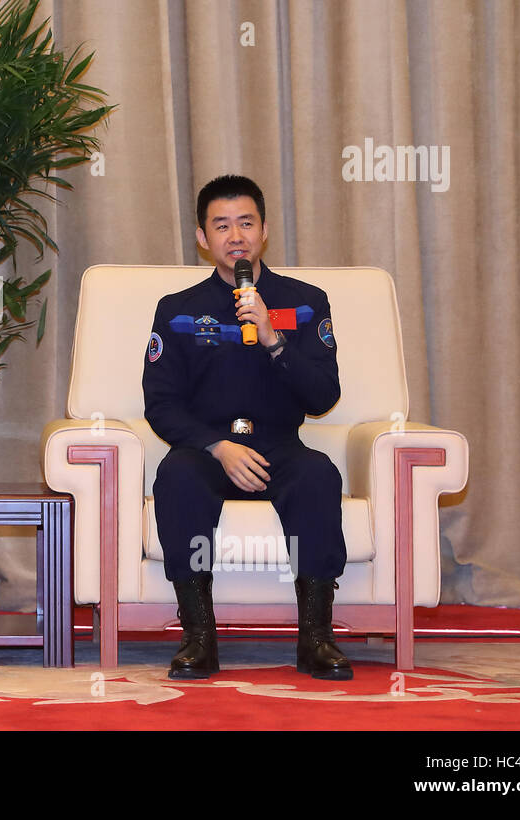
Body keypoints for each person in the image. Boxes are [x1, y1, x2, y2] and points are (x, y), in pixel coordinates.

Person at [142, 175, 352, 680]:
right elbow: (161, 404)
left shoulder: (307, 302)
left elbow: (324, 396)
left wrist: (274, 338)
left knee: (319, 475)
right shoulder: (177, 310)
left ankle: (316, 639)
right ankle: (199, 639)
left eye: (245, 223)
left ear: (264, 230)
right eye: (221, 226)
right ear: (202, 237)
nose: (235, 236)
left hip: (280, 447)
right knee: (177, 476)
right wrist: (217, 446)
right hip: (207, 450)